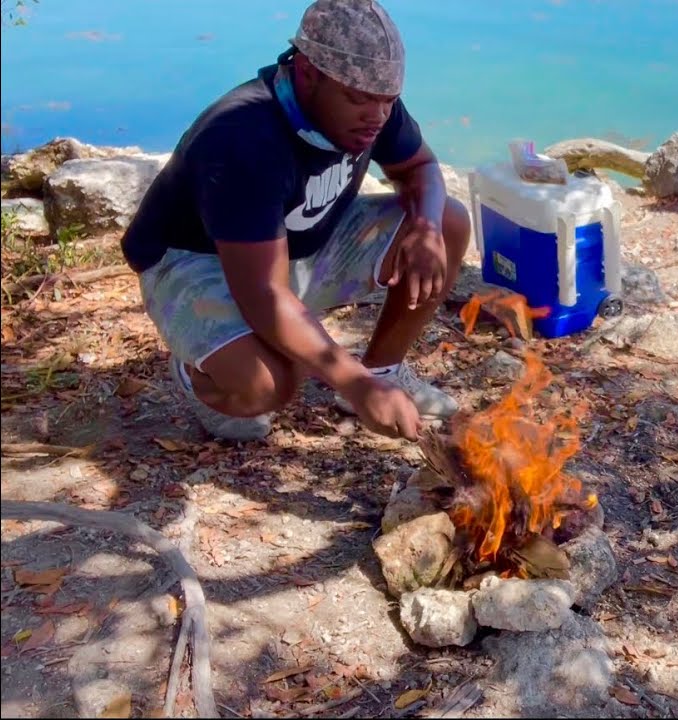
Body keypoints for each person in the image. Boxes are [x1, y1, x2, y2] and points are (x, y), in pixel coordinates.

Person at [120, 0, 469, 443]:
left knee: (448, 221)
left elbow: (420, 168)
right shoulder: (243, 138)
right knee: (268, 385)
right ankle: (197, 373)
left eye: (388, 102)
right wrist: (356, 385)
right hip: (199, 262)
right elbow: (264, 294)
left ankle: (385, 370)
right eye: (359, 99)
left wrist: (426, 229)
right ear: (308, 73)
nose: (376, 118)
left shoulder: (373, 108)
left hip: (300, 245)